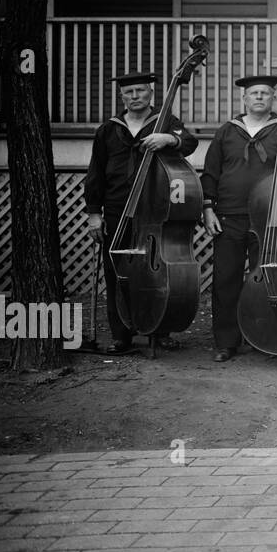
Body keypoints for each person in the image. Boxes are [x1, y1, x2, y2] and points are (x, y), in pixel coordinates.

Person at [200, 75, 277, 362]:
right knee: (226, 280)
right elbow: (210, 172)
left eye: (265, 93)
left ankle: (263, 336)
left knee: (268, 280)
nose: (259, 97)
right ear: (244, 99)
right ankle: (226, 342)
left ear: (273, 98)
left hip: (270, 219)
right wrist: (208, 209)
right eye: (254, 93)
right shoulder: (227, 132)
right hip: (229, 216)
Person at [84, 71, 199, 355]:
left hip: (155, 212)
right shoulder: (108, 129)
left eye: (140, 91)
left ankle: (159, 331)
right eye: (128, 93)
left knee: (156, 274)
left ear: (151, 93)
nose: (134, 97)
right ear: (122, 97)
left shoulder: (166, 123)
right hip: (117, 210)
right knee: (117, 274)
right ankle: (122, 335)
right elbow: (95, 173)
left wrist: (169, 139)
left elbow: (190, 142)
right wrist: (93, 213)